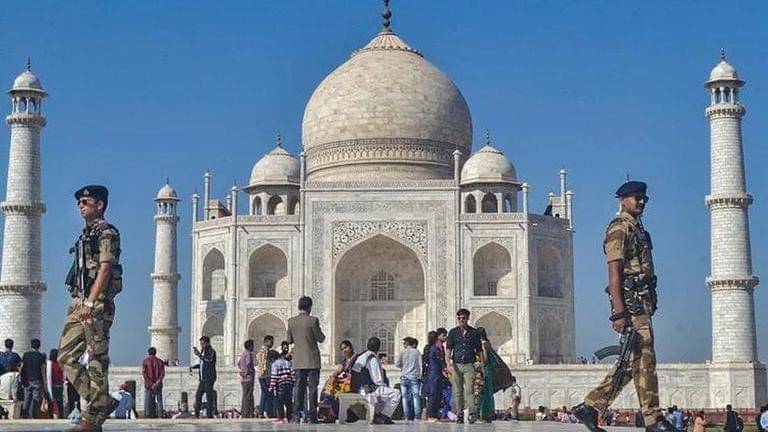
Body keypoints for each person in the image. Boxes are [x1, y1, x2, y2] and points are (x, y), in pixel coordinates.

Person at [572, 181, 678, 432]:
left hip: (642, 302)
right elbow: (614, 271)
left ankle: (591, 407)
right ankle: (652, 419)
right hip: (631, 306)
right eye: (635, 197)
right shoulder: (619, 228)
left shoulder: (637, 228)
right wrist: (618, 312)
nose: (640, 202)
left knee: (637, 362)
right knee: (644, 360)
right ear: (621, 200)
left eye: (643, 198)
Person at [58, 185, 123, 431]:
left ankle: (94, 415)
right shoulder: (85, 235)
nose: (80, 206)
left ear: (100, 205)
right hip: (80, 303)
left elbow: (105, 269)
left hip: (96, 304)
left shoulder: (107, 233)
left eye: (86, 202)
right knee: (65, 356)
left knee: (96, 358)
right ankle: (101, 402)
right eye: (79, 202)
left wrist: (91, 301)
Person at [286, 296, 325, 423]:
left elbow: (289, 340)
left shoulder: (291, 321)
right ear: (309, 307)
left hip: (298, 360)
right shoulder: (313, 321)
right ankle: (312, 416)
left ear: (299, 306)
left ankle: (296, 415)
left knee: (298, 388)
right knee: (312, 389)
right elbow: (320, 338)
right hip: (312, 360)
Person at [351, 337, 401, 425]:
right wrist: (385, 386)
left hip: (358, 388)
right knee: (396, 393)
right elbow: (377, 379)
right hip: (367, 389)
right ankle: (383, 417)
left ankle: (378, 415)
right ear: (378, 347)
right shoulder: (372, 358)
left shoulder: (362, 356)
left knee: (383, 394)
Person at [446, 308, 482, 424]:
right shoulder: (453, 332)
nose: (461, 320)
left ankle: (472, 413)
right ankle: (460, 413)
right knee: (458, 391)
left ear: (468, 318)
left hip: (469, 365)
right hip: (456, 365)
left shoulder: (474, 333)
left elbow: (479, 350)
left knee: (470, 389)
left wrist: (481, 366)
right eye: (459, 318)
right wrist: (448, 364)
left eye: (463, 318)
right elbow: (448, 349)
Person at [319, 340, 357, 422]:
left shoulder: (356, 359)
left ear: (351, 348)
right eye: (342, 349)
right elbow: (338, 370)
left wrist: (345, 379)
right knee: (328, 385)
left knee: (335, 392)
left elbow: (356, 374)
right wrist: (333, 376)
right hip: (344, 382)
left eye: (346, 348)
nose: (344, 350)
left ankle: (332, 414)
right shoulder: (345, 361)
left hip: (352, 383)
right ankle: (327, 412)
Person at [425, 328, 449, 422]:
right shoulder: (434, 348)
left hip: (437, 373)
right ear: (438, 337)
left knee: (438, 394)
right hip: (434, 373)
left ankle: (436, 414)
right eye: (444, 335)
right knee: (433, 394)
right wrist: (445, 369)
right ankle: (431, 415)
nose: (446, 337)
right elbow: (439, 361)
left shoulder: (439, 347)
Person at [190, 336, 217, 418]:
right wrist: (194, 367)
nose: (202, 345)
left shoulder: (211, 351)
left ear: (207, 343)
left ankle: (209, 414)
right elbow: (203, 364)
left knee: (209, 396)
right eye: (201, 344)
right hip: (202, 378)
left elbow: (209, 361)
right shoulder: (203, 351)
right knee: (198, 395)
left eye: (203, 344)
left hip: (209, 377)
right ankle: (196, 414)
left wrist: (199, 355)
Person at [269, 341, 296, 424]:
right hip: (289, 384)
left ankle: (281, 418)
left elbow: (274, 376)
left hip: (280, 384)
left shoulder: (275, 364)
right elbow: (292, 373)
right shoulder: (288, 362)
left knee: (279, 401)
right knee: (288, 401)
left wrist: (271, 386)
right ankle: (290, 417)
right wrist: (294, 382)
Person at [396, 337, 422, 421]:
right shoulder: (417, 352)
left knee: (404, 397)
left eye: (404, 343)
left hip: (404, 377)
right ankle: (417, 416)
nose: (403, 345)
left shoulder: (402, 352)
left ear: (407, 343)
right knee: (416, 396)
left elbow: (397, 364)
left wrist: (404, 367)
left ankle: (406, 416)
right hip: (413, 377)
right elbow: (420, 364)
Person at [20, 338, 46, 418]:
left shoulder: (26, 355)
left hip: (27, 380)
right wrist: (44, 381)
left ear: (31, 345)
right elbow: (42, 369)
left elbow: (22, 368)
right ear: (39, 346)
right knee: (36, 398)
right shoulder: (41, 356)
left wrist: (22, 379)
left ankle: (24, 414)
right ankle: (34, 415)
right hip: (37, 380)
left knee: (27, 398)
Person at [476, 327, 497, 422]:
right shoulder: (487, 343)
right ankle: (489, 414)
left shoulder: (483, 344)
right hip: (489, 371)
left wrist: (479, 364)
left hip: (485, 370)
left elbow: (484, 359)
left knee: (483, 393)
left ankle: (483, 414)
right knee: (488, 393)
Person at [254, 335, 277, 418]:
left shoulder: (261, 351)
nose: (272, 343)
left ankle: (261, 412)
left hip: (261, 375)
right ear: (266, 342)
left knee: (264, 394)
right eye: (271, 342)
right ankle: (269, 413)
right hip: (266, 375)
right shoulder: (265, 352)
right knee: (269, 394)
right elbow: (264, 364)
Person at [142, 347, 165, 418]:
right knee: (159, 400)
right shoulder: (160, 362)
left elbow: (144, 373)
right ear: (155, 352)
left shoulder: (145, 361)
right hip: (158, 384)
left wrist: (151, 383)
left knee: (148, 400)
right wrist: (156, 383)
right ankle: (160, 414)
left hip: (148, 385)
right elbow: (162, 374)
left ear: (148, 353)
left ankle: (148, 414)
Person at [237, 339, 255, 418]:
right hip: (248, 378)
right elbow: (248, 364)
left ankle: (245, 412)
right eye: (252, 346)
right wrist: (248, 371)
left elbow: (238, 363)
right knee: (248, 396)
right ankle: (247, 413)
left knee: (245, 396)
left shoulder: (243, 354)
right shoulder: (248, 354)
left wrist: (242, 370)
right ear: (250, 346)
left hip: (243, 379)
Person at [45, 348, 65, 418]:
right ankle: (61, 415)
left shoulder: (49, 364)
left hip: (52, 386)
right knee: (60, 402)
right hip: (59, 385)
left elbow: (48, 376)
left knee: (50, 402)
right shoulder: (60, 364)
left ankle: (50, 415)